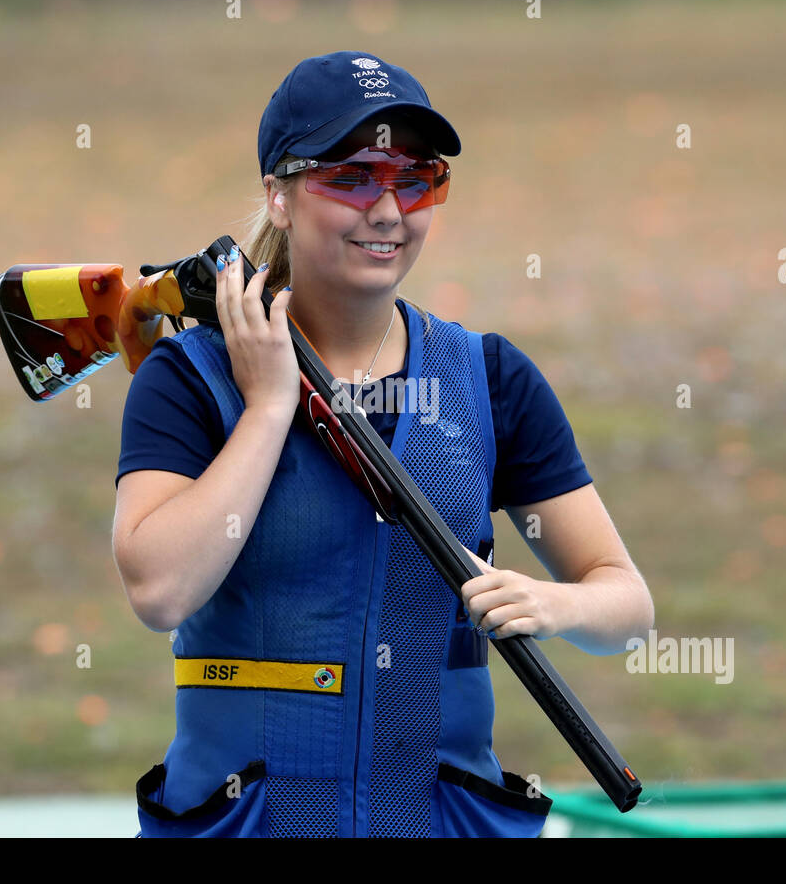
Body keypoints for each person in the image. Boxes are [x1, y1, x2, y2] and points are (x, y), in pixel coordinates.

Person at [112, 50, 654, 837]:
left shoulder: (490, 378)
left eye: (418, 178)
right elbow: (158, 591)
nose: (389, 209)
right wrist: (267, 408)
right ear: (280, 193)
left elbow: (627, 604)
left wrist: (553, 602)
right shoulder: (189, 378)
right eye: (354, 177)